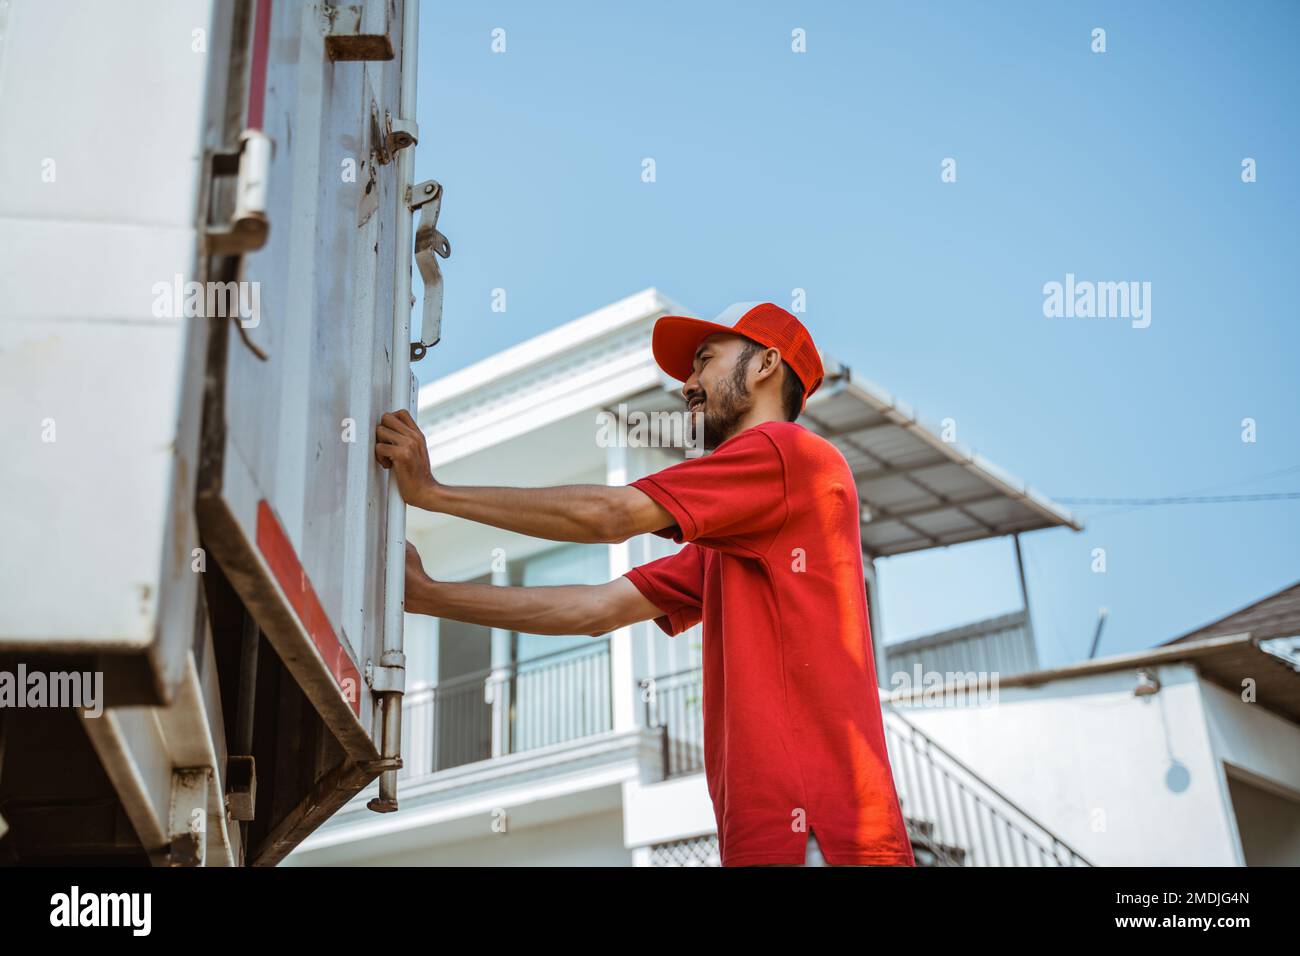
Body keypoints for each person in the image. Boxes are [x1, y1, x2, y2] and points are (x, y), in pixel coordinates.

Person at [375, 301, 915, 868]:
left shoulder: (787, 454)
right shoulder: (738, 539)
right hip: (783, 836)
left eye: (704, 360)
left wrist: (434, 493)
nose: (687, 384)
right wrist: (430, 595)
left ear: (765, 365)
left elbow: (611, 514)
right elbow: (596, 608)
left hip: (817, 831)